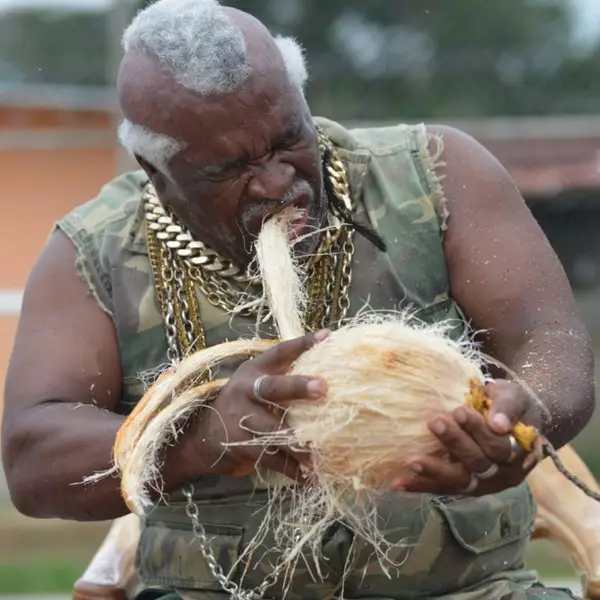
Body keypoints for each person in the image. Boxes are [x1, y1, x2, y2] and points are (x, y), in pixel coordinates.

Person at [1, 0, 595, 598]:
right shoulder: (94, 250)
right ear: (156, 169)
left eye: (288, 139)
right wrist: (198, 438)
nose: (278, 181)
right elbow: (32, 460)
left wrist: (524, 417)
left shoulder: (436, 174)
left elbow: (549, 339)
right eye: (231, 168)